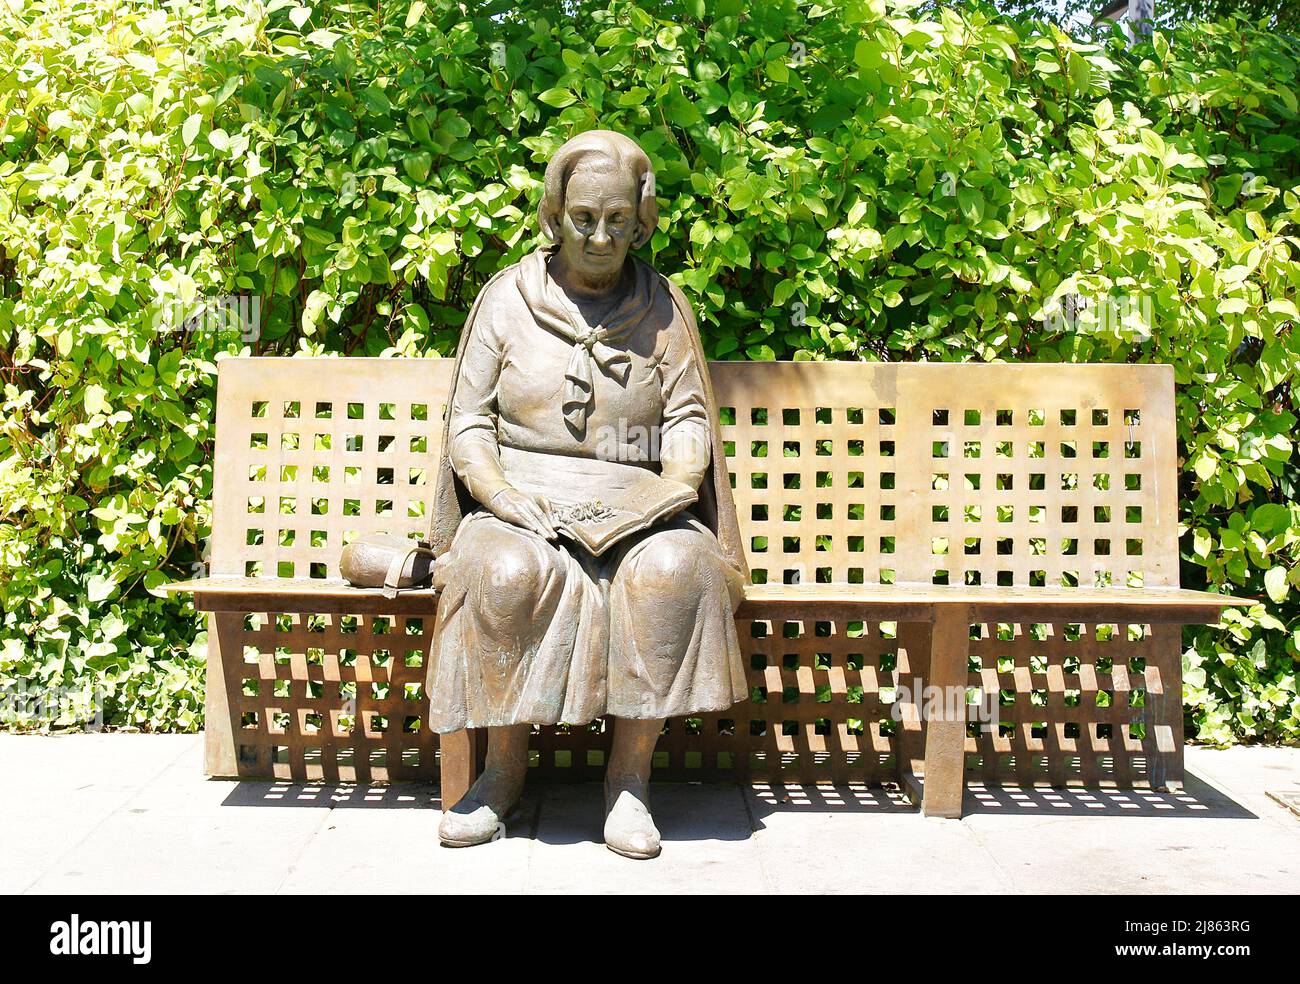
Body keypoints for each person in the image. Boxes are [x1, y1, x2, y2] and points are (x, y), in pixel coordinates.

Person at [424, 130, 748, 859]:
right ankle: (502, 774)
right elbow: (469, 422)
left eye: (618, 221)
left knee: (672, 575)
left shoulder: (662, 306)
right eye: (583, 219)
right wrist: (500, 495)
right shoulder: (506, 300)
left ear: (641, 221)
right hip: (522, 498)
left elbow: (690, 417)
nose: (601, 237)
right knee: (503, 574)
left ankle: (629, 784)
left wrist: (673, 487)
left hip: (640, 500)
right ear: (553, 212)